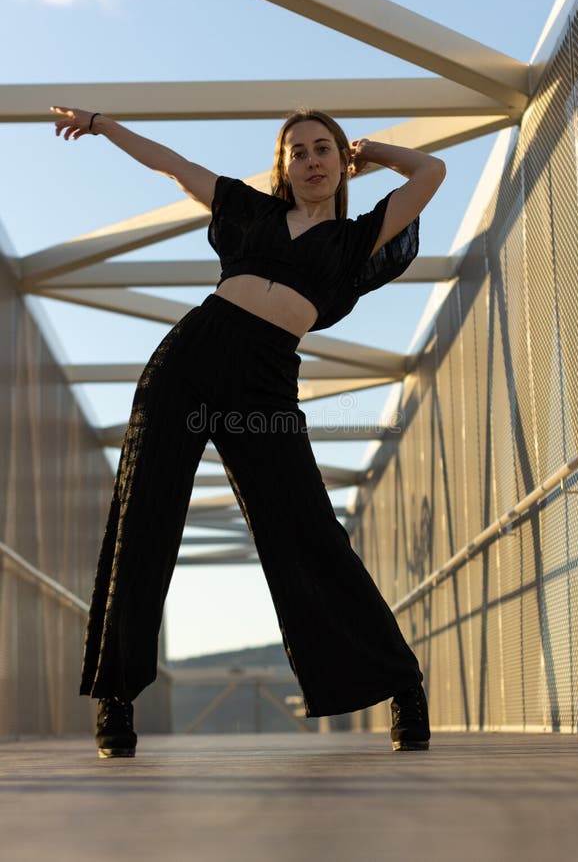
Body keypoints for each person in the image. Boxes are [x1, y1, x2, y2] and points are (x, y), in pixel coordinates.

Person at [51, 104, 446, 758]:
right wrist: (101, 124)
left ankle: (400, 682)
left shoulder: (358, 237)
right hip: (188, 363)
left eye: (324, 149)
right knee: (143, 515)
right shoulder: (252, 212)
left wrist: (374, 151)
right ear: (284, 168)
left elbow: (431, 171)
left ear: (338, 161)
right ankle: (115, 700)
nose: (313, 160)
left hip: (263, 383)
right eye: (299, 152)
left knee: (309, 529)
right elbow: (173, 166)